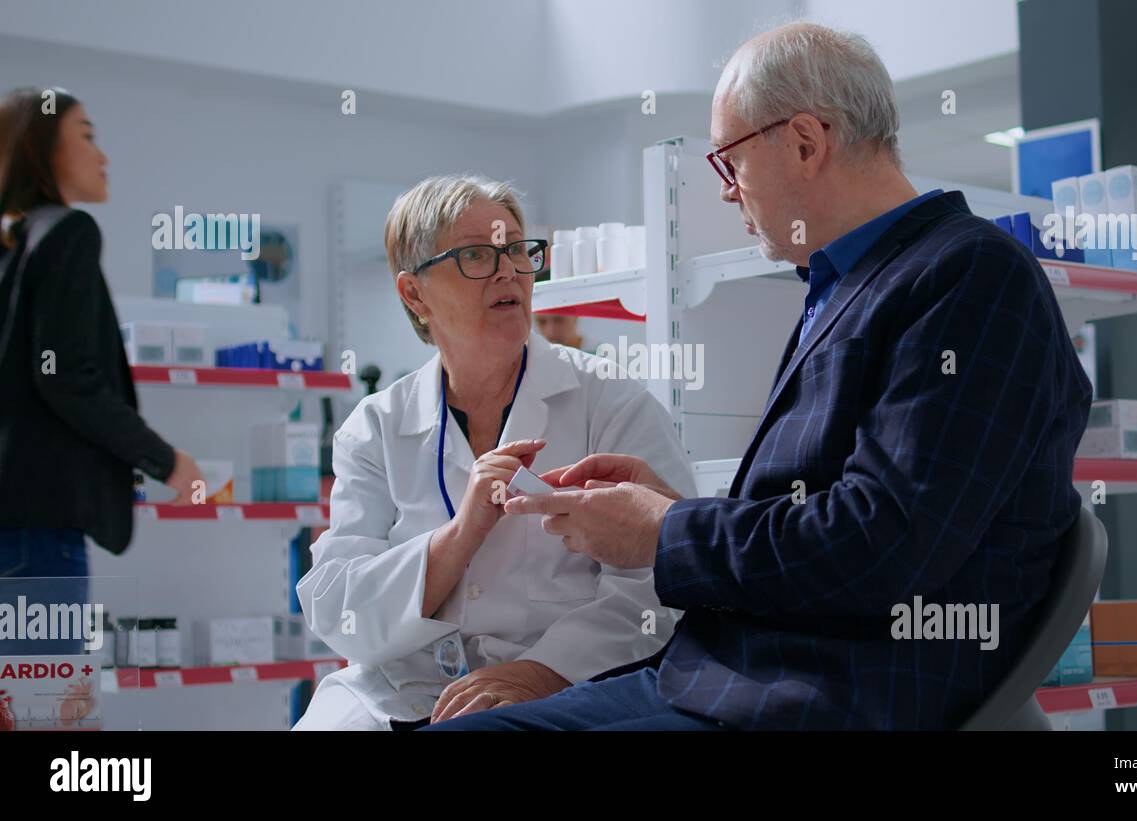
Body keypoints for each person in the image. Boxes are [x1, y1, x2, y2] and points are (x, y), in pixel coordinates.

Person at [423, 22, 1093, 731]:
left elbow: (884, 543)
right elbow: (821, 515)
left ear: (806, 142)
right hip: (730, 673)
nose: (724, 193)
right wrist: (666, 506)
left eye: (730, 162)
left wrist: (667, 531)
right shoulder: (840, 285)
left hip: (830, 696)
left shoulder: (969, 279)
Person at [293, 174, 693, 730]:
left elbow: (662, 585)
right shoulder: (377, 427)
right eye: (477, 255)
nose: (508, 270)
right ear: (414, 293)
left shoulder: (611, 402)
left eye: (517, 252)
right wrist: (461, 536)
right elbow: (341, 611)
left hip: (565, 686)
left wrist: (541, 672)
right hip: (396, 691)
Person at [0, 88, 204, 656]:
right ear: (43, 149)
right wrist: (168, 461)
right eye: (87, 135)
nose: (103, 155)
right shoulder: (67, 231)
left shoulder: (13, 242)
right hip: (37, 530)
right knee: (47, 713)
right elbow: (67, 377)